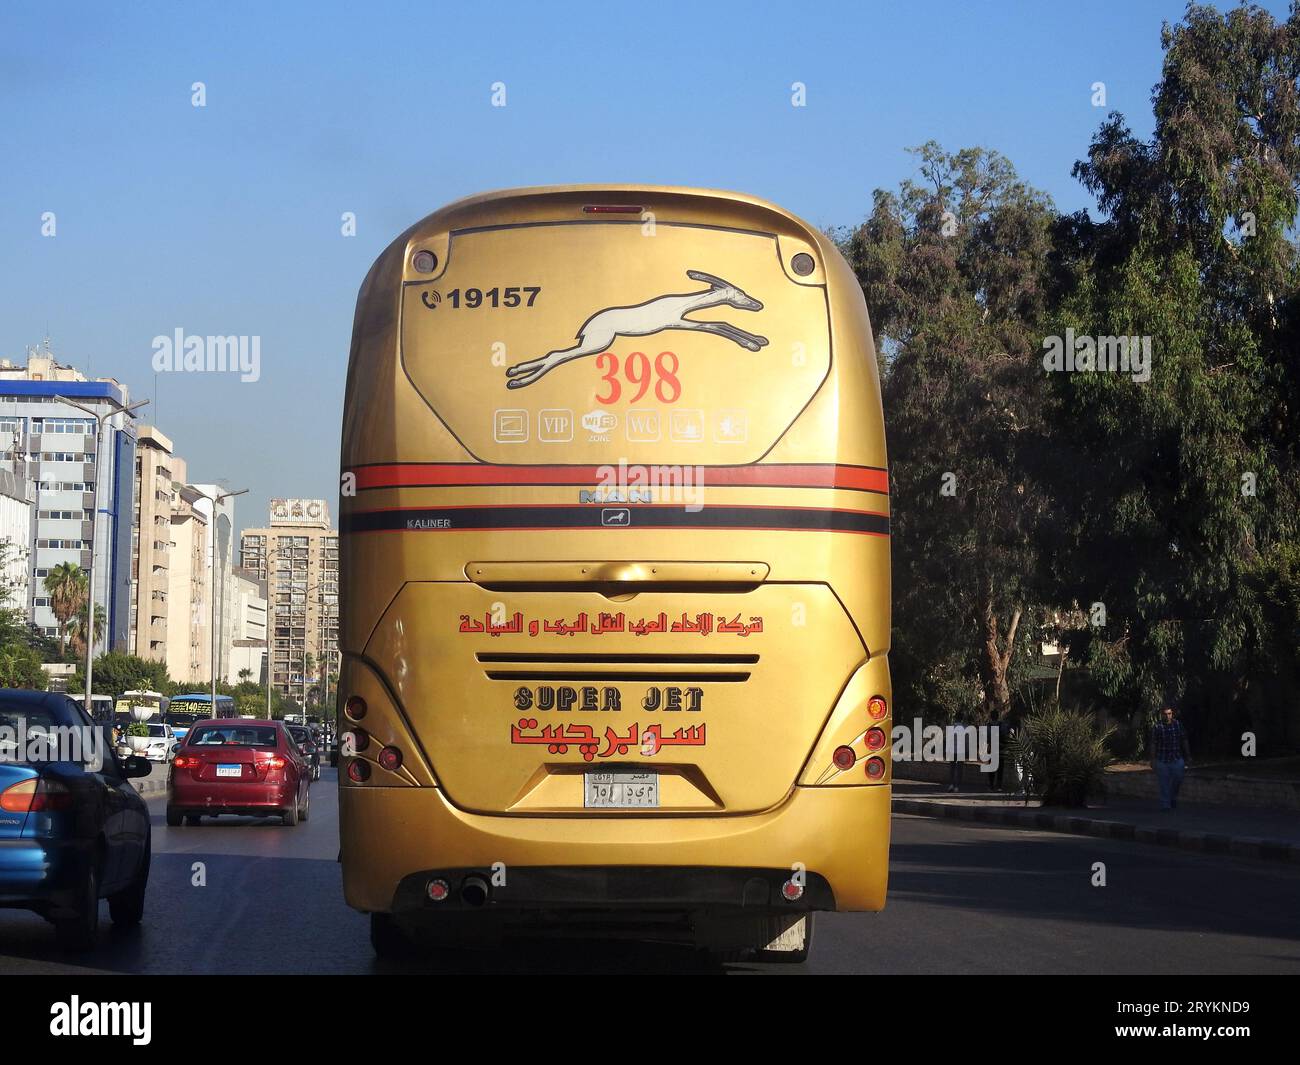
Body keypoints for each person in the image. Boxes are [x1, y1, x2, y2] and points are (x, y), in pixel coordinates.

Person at [1150, 705, 1191, 810]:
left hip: (1176, 758)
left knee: (1178, 779)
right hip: (1162, 759)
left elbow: (1184, 739)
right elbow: (1153, 743)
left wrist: (1188, 755)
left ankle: (1173, 797)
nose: (1167, 716)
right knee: (1163, 783)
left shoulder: (1177, 724)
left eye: (1169, 713)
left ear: (1172, 714)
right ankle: (1166, 805)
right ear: (1161, 715)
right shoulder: (1157, 727)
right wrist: (1153, 759)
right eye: (1165, 714)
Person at [989, 709, 1011, 791]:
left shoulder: (988, 725)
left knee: (991, 768)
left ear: (991, 717)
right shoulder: (1002, 725)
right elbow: (1006, 735)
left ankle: (991, 785)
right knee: (1000, 767)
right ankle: (999, 786)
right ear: (998, 716)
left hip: (992, 749)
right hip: (1001, 748)